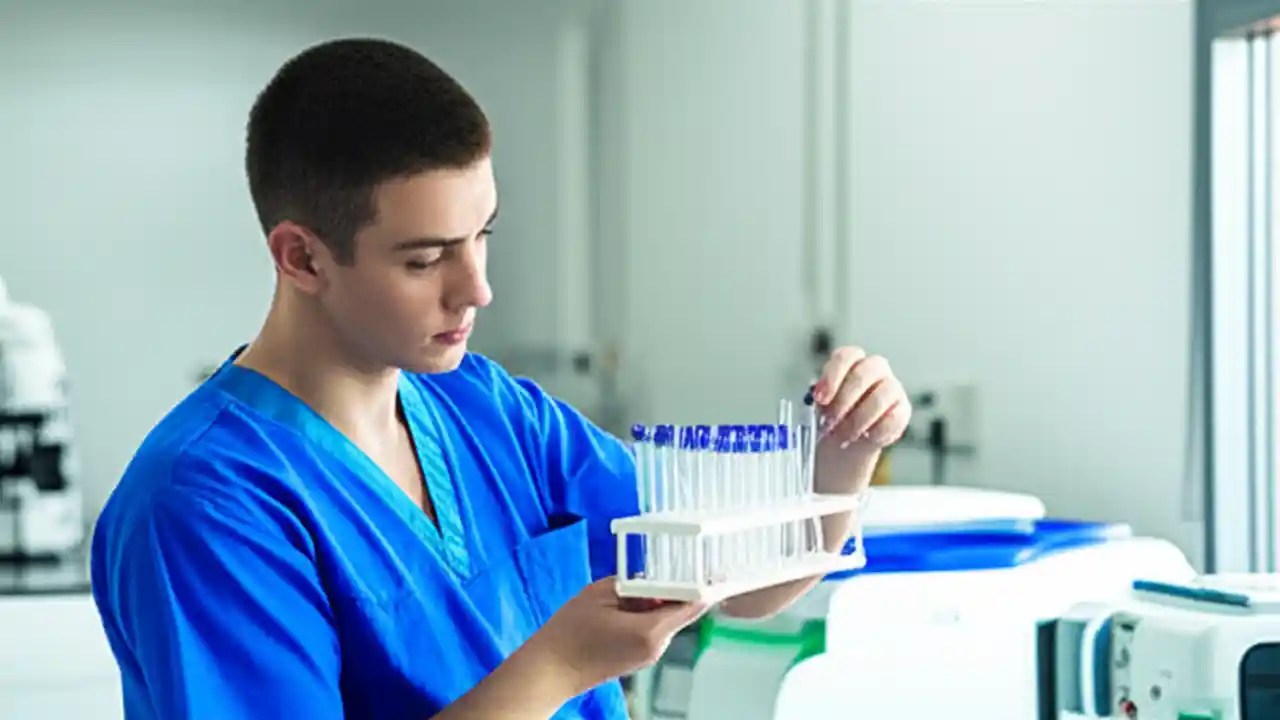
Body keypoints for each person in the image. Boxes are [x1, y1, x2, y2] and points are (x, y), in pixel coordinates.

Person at [89, 37, 912, 720]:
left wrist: (842, 462)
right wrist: (553, 669)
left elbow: (739, 589)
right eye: (425, 259)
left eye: (482, 234)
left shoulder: (486, 407)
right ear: (302, 257)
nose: (477, 288)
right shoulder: (204, 504)